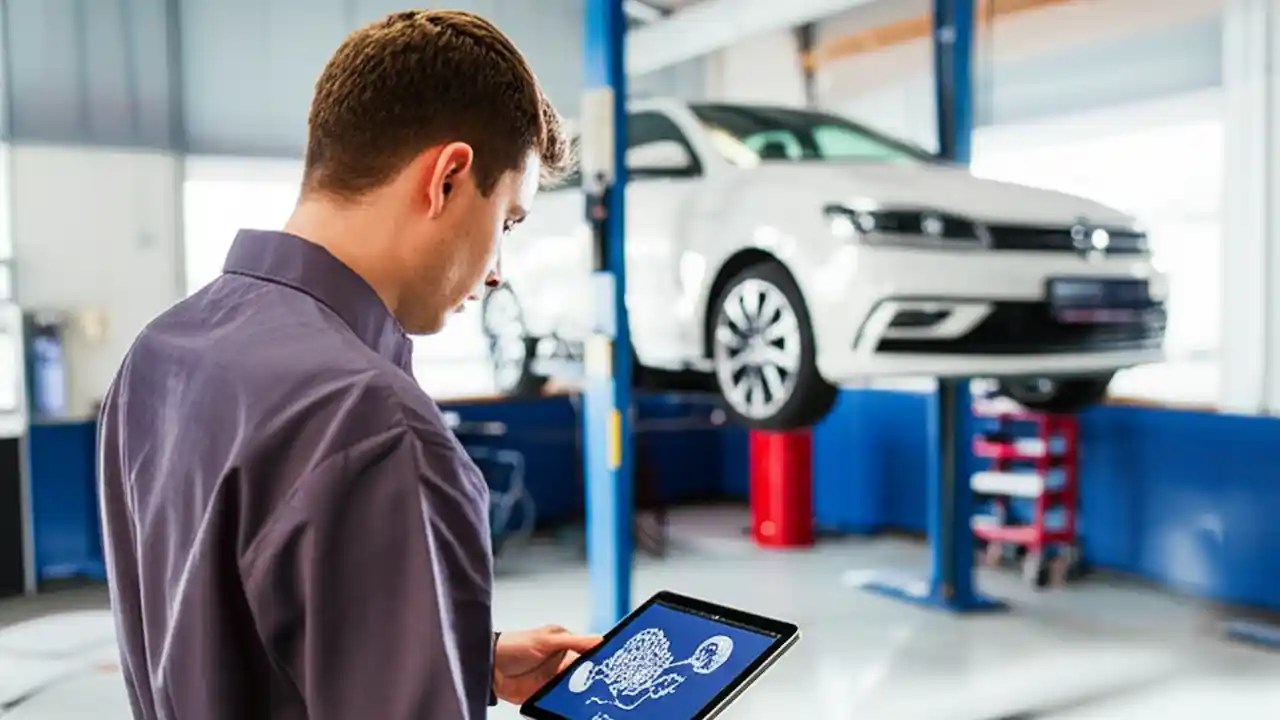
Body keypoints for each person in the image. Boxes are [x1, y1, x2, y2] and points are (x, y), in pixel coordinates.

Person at [98, 10, 600, 720]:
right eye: (508, 221)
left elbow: (233, 636)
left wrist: (461, 658)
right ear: (448, 178)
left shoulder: (160, 354)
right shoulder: (377, 424)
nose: (497, 272)